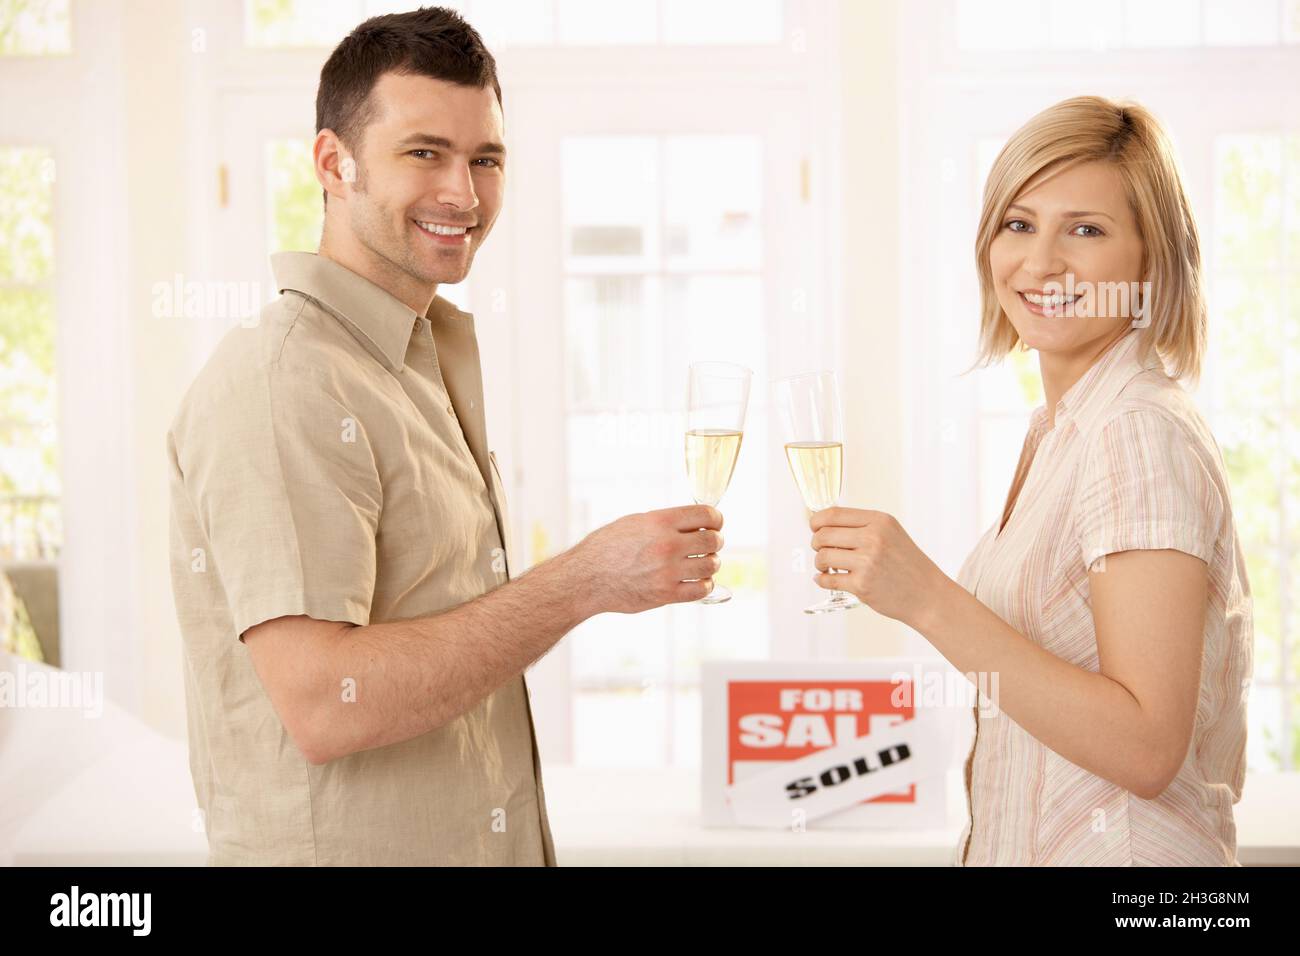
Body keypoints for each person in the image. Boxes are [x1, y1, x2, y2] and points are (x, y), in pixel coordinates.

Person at [166, 7, 723, 866]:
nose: (463, 194)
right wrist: (581, 583)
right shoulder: (286, 380)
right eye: (423, 152)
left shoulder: (416, 359)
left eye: (485, 159)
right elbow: (324, 702)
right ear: (332, 162)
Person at [807, 96, 1252, 865]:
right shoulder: (1062, 432)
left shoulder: (1135, 434)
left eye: (1086, 229)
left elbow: (1148, 746)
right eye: (1018, 224)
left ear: (1152, 258)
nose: (1040, 263)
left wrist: (925, 598)